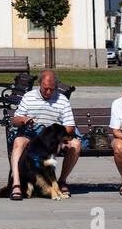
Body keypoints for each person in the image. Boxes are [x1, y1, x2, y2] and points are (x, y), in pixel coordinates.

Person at [7, 69, 79, 200]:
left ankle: (62, 181)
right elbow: (15, 120)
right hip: (31, 136)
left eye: (52, 89)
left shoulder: (62, 100)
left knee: (76, 144)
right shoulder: (28, 97)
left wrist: (55, 132)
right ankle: (16, 184)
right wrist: (24, 119)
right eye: (45, 88)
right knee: (18, 143)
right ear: (39, 84)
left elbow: (70, 127)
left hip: (53, 139)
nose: (48, 92)